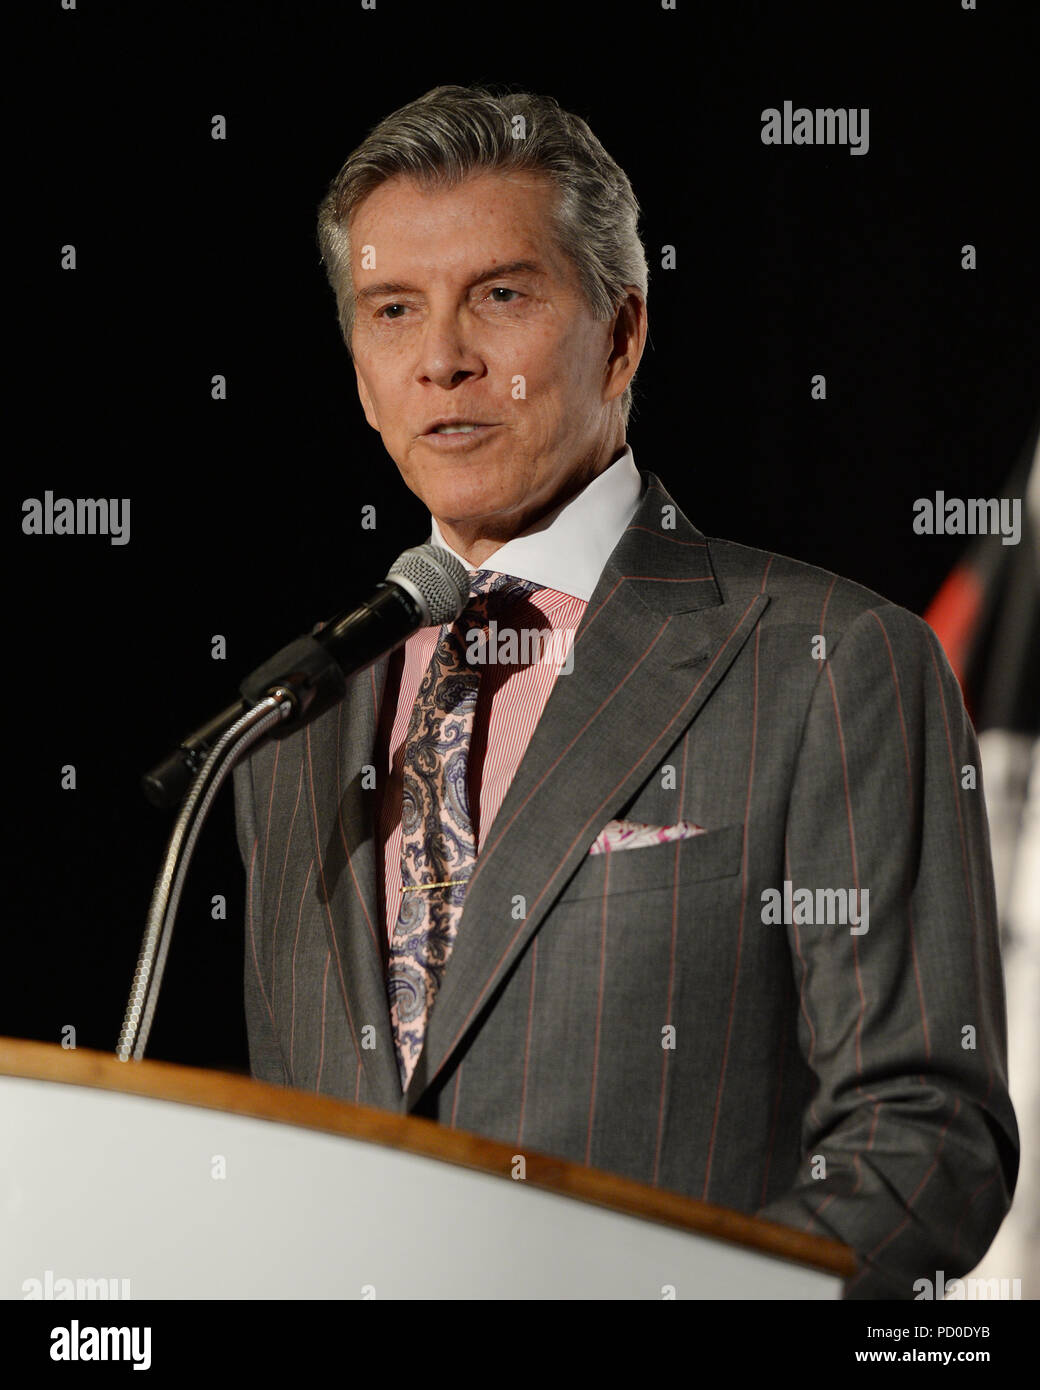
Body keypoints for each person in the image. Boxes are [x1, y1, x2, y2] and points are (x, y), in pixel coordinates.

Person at [231, 84, 1019, 1299]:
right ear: (359, 370)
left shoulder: (827, 661)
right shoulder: (288, 728)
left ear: (621, 333)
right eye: (394, 309)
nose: (443, 355)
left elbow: (924, 1143)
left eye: (500, 294)